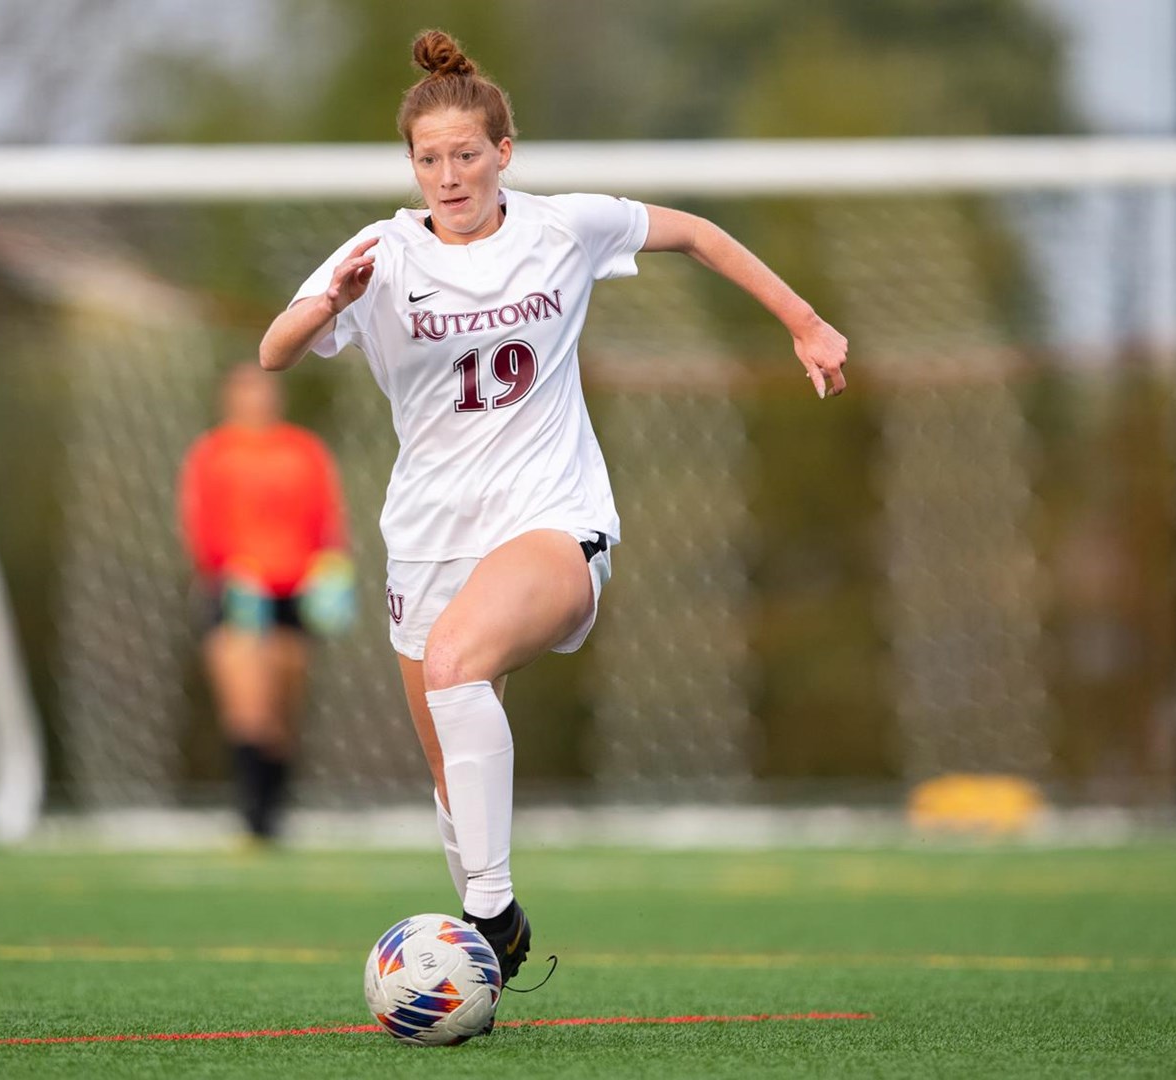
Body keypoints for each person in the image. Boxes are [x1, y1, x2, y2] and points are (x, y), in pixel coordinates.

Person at [260, 30, 848, 983]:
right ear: (411, 167)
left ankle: (487, 919)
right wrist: (331, 302)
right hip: (425, 536)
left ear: (504, 152)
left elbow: (695, 233)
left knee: (457, 663)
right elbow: (273, 352)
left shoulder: (562, 227)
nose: (448, 176)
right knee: (452, 775)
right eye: (428, 160)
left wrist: (807, 324)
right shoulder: (382, 252)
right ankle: (483, 950)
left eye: (465, 155)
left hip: (551, 518)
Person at [178, 363, 352, 842]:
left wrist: (332, 571)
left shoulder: (304, 452)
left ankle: (275, 814)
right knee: (247, 708)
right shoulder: (213, 455)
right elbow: (200, 524)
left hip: (294, 593)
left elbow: (328, 520)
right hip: (238, 592)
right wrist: (224, 568)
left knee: (282, 713)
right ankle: (251, 815)